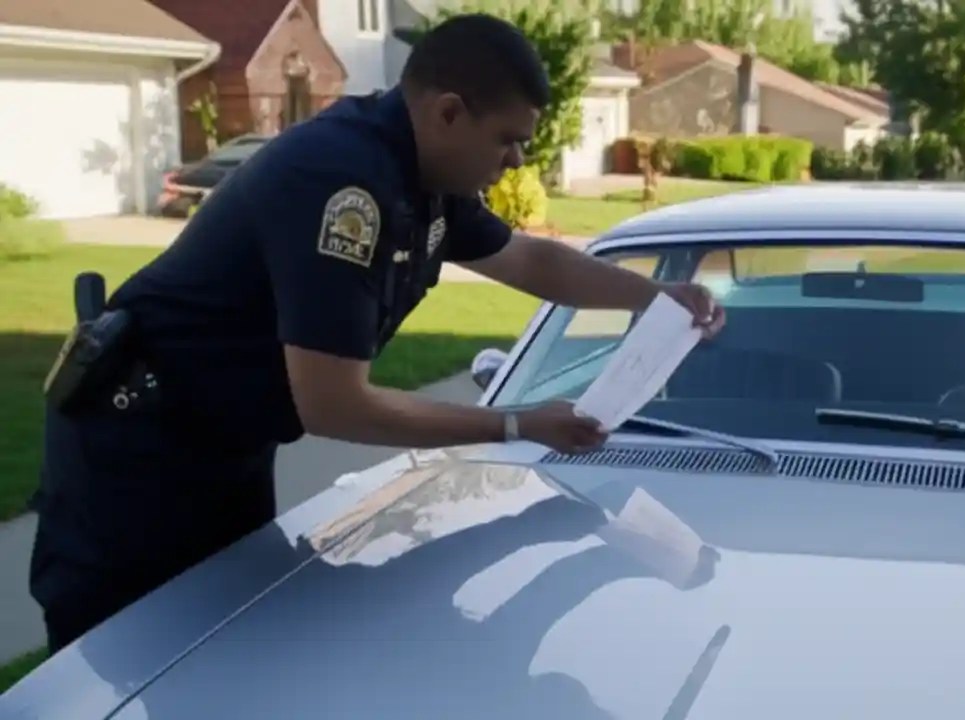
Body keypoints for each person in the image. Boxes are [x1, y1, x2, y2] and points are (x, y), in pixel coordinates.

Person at [28, 13, 725, 655]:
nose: (517, 160)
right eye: (508, 139)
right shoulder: (342, 186)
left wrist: (656, 299)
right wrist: (516, 423)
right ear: (448, 112)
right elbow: (336, 405)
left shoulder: (427, 176)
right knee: (117, 667)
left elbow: (528, 259)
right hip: (134, 465)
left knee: (232, 652)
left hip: (223, 446)